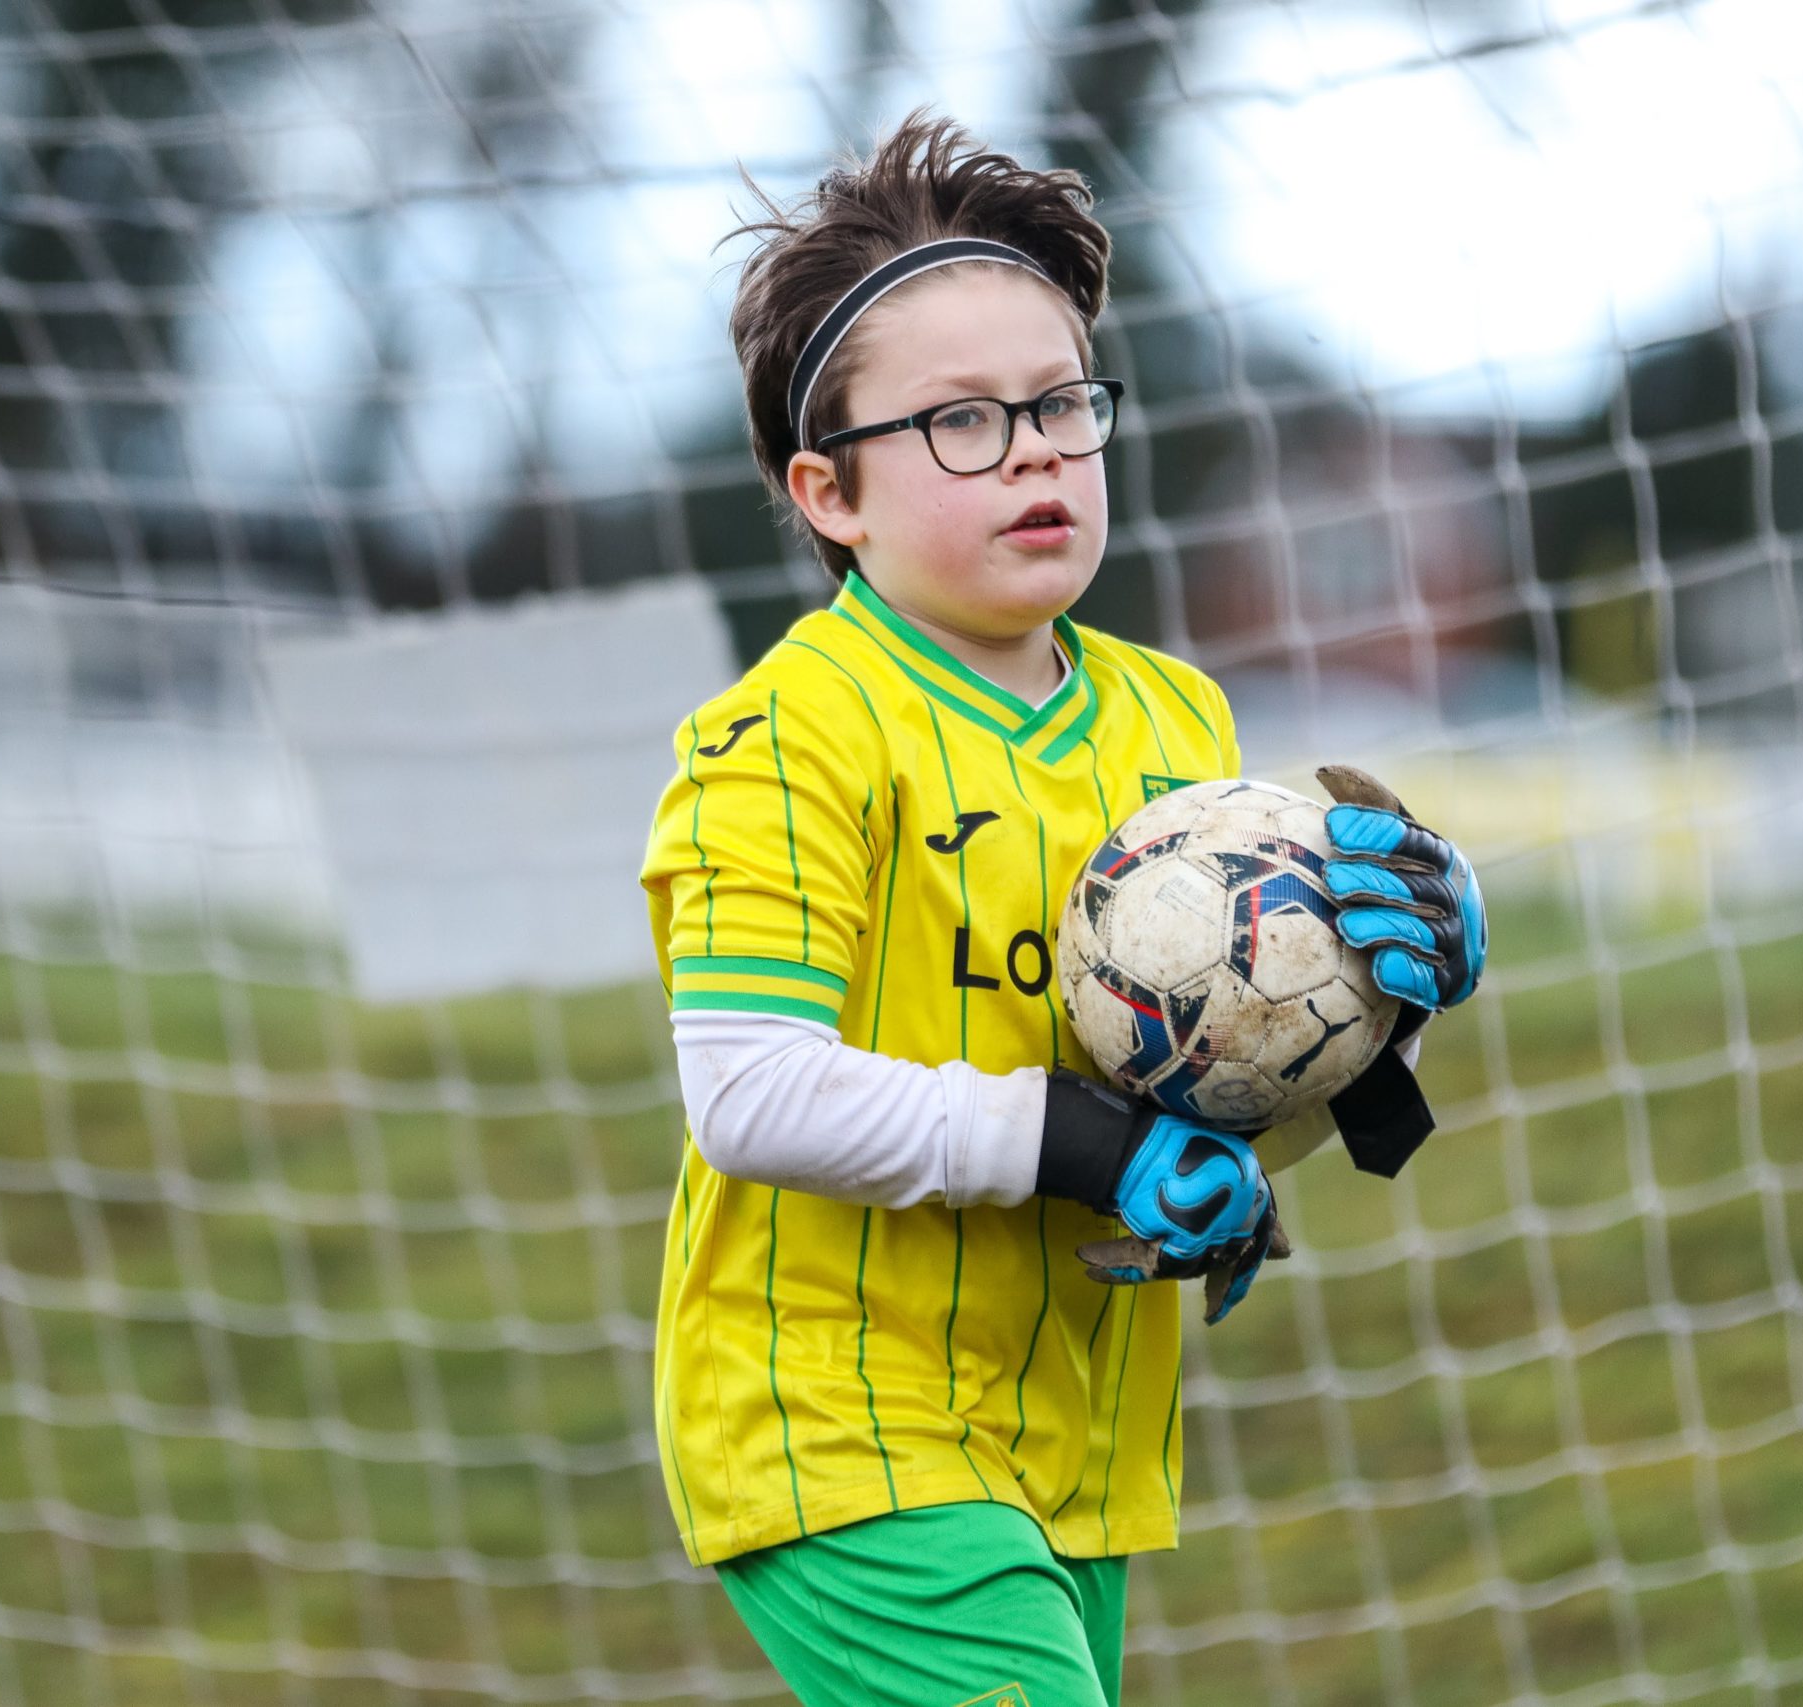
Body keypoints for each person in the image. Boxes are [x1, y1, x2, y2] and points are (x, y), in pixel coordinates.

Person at [638, 109, 1489, 1707]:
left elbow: (1206, 1103)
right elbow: (750, 1095)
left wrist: (1391, 1010)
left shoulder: (1177, 723)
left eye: (1059, 403)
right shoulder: (786, 736)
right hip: (836, 1417)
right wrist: (1085, 1147)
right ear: (829, 492)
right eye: (961, 420)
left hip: (1079, 1436)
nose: (1034, 449)